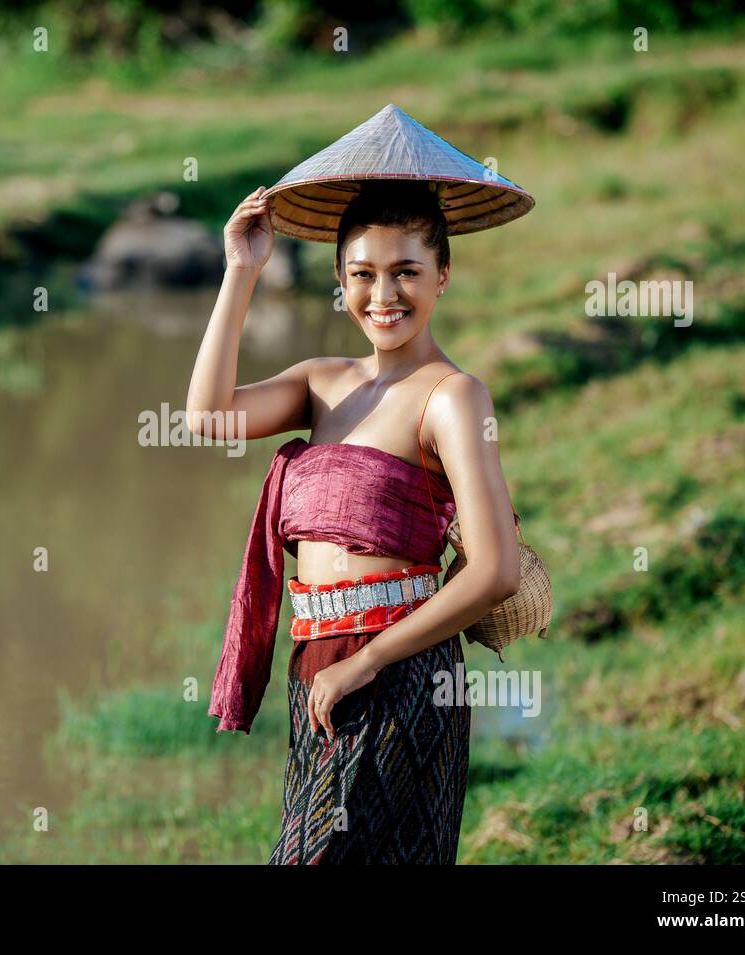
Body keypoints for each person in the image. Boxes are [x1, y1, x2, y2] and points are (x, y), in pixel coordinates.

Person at [187, 179, 523, 864]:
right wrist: (241, 271)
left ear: (444, 275)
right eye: (363, 275)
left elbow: (495, 569)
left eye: (407, 272)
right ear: (340, 281)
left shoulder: (454, 396)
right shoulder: (323, 381)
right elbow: (207, 417)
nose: (384, 295)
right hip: (317, 664)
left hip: (399, 670)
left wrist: (367, 660)